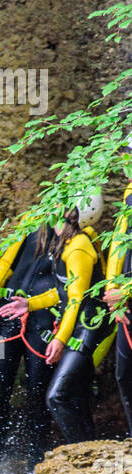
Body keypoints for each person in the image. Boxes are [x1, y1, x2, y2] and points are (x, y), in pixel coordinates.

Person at [0, 196, 115, 444]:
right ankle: (89, 449)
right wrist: (29, 304)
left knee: (57, 397)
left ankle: (83, 451)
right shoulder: (66, 243)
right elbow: (61, 291)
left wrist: (60, 339)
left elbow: (74, 299)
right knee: (76, 395)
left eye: (59, 203)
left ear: (71, 212)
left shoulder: (79, 248)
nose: (50, 207)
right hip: (77, 328)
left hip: (88, 329)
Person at [0, 224, 56, 471]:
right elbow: (6, 261)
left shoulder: (79, 239)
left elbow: (73, 289)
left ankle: (36, 464)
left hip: (42, 327)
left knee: (38, 393)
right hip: (4, 322)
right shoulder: (31, 222)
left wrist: (34, 304)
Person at [104, 176, 132, 435]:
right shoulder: (129, 192)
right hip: (126, 305)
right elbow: (118, 243)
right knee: (125, 374)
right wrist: (113, 289)